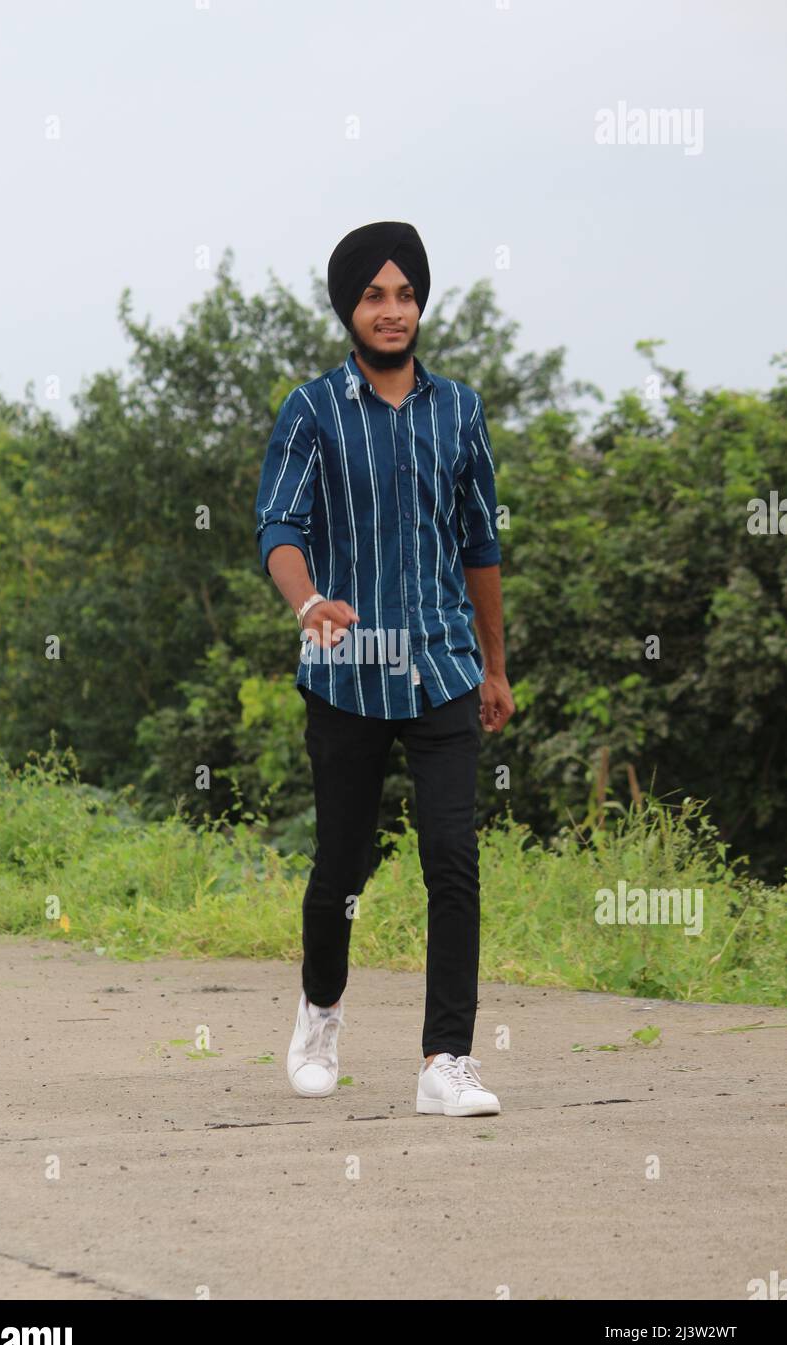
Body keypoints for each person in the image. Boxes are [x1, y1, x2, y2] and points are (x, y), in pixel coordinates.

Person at [254, 220, 515, 1117]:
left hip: (442, 664)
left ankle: (447, 1059)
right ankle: (320, 1013)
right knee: (343, 865)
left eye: (405, 294)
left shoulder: (460, 410)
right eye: (374, 295)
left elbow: (479, 543)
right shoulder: (313, 409)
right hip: (350, 667)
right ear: (348, 308)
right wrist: (307, 602)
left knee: (453, 856)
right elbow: (278, 528)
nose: (392, 310)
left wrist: (494, 665)